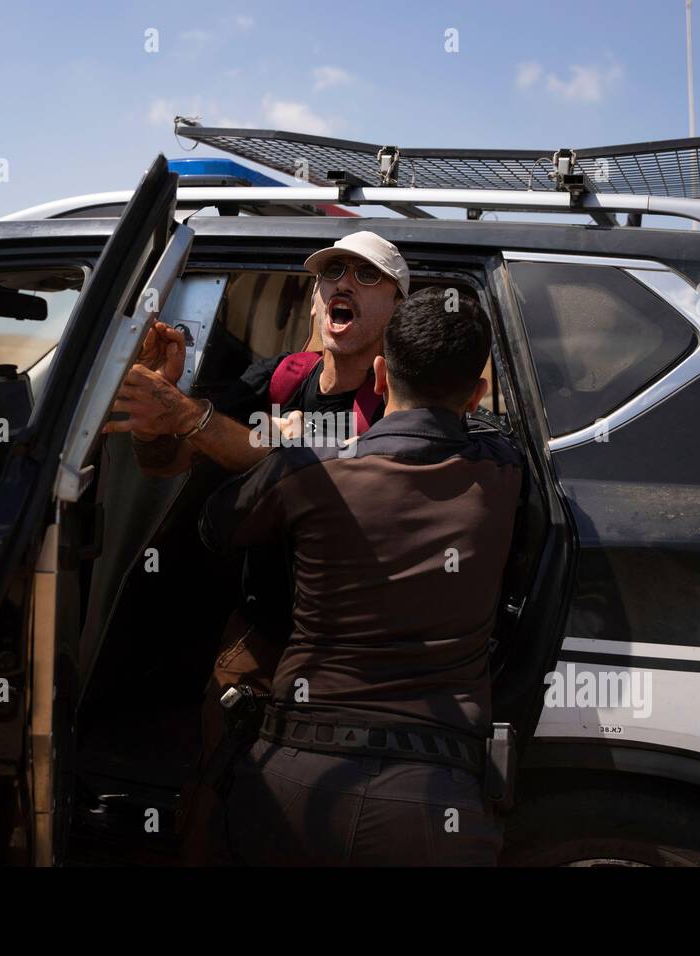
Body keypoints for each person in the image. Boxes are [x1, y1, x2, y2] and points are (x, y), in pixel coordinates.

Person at [105, 232, 409, 859]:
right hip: (263, 632)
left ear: (399, 309)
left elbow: (302, 461)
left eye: (366, 275)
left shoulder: (398, 400)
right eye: (331, 274)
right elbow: (171, 460)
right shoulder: (280, 377)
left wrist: (188, 416)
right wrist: (156, 415)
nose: (341, 284)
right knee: (215, 797)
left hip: (348, 655)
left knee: (315, 814)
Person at [200, 286, 527, 865]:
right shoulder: (503, 471)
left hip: (295, 783)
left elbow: (215, 526)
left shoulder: (309, 472)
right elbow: (500, 437)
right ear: (476, 395)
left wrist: (284, 447)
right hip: (436, 798)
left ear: (379, 375)